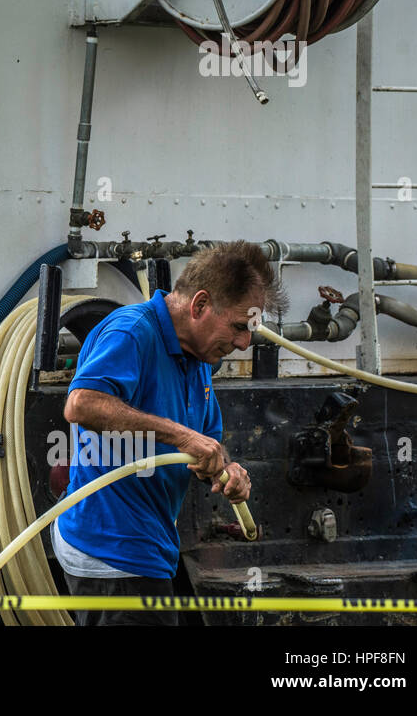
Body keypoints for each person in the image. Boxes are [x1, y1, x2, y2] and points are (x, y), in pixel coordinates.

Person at [52, 240, 285, 625]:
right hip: (111, 550)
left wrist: (228, 470)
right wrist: (181, 436)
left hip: (149, 547)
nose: (245, 343)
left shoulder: (198, 359)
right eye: (239, 326)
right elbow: (82, 405)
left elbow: (204, 446)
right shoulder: (132, 333)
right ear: (200, 305)